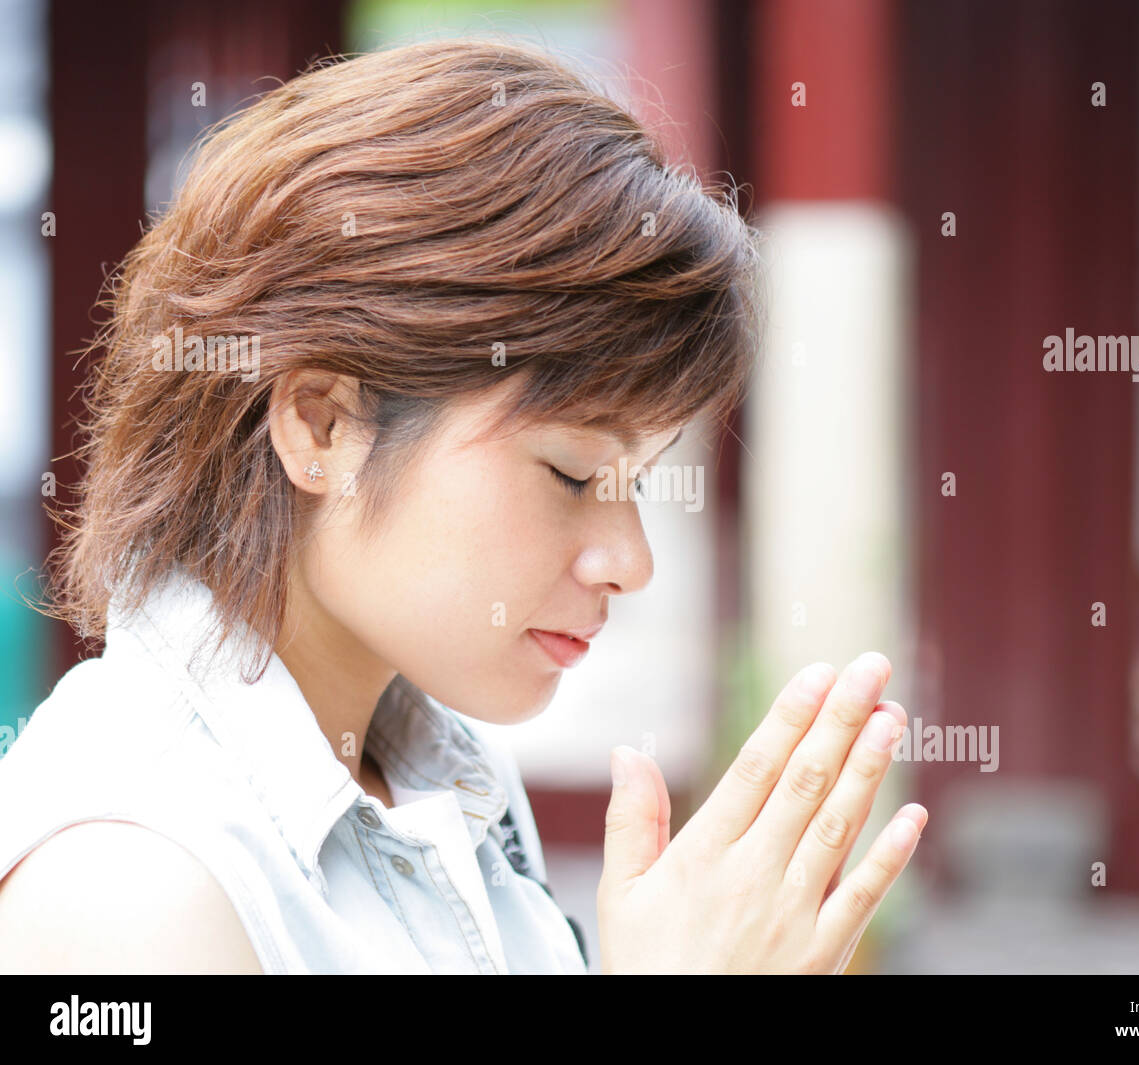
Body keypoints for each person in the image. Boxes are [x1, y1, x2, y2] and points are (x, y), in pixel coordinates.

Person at [0, 36, 926, 974]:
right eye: (570, 470)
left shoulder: (440, 779)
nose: (631, 559)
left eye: (637, 480)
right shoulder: (127, 883)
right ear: (322, 426)